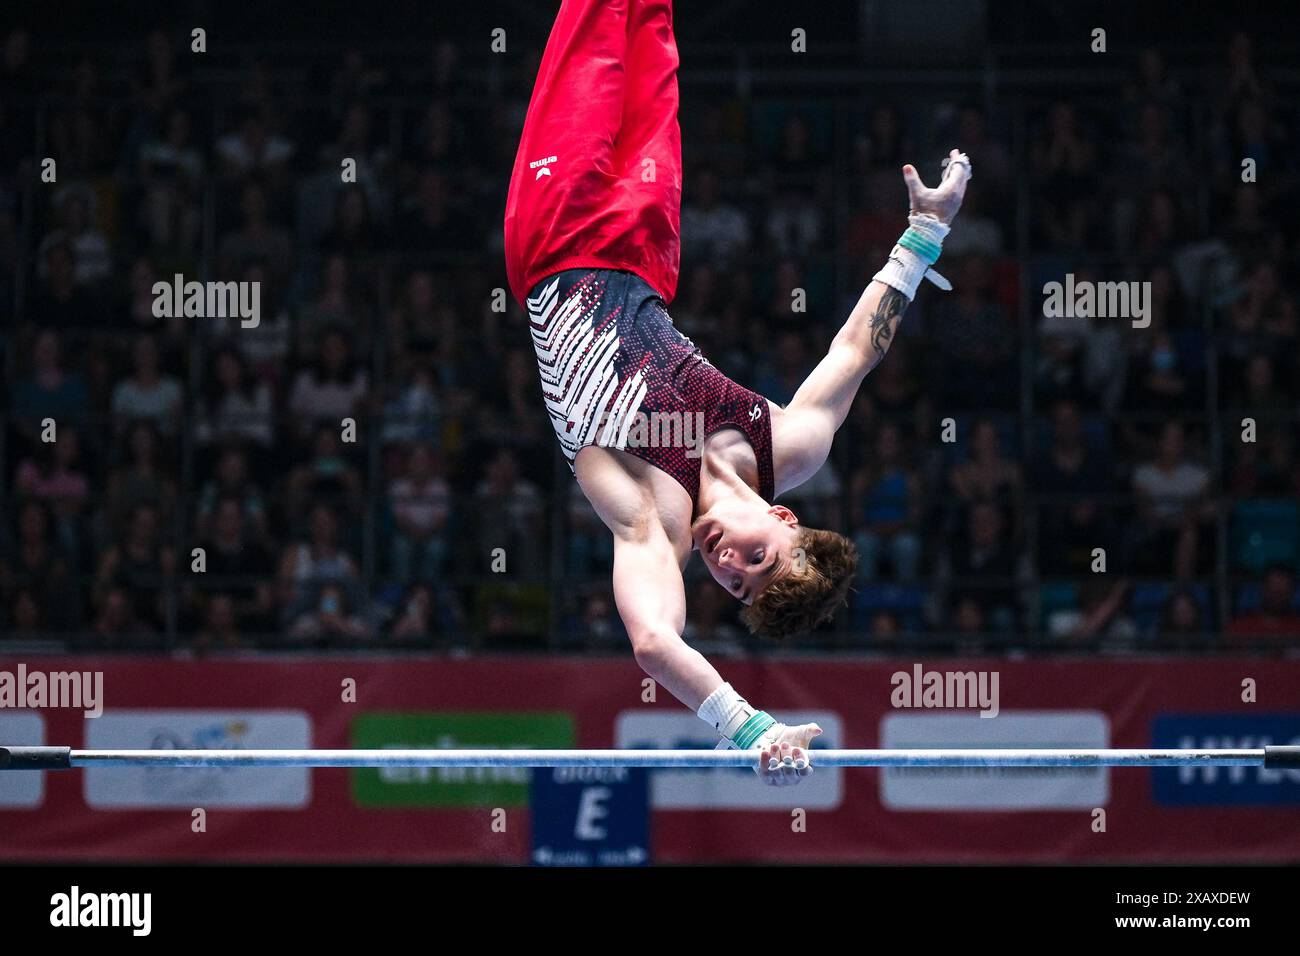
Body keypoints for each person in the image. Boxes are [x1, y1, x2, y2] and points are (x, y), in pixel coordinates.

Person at [504, 0, 969, 784]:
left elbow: (654, 642)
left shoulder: (656, 518)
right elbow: (855, 350)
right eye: (759, 559)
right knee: (650, 31)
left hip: (555, 240)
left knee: (592, 31)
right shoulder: (788, 444)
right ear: (783, 517)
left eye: (737, 586)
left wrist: (745, 725)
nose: (730, 567)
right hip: (647, 255)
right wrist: (924, 237)